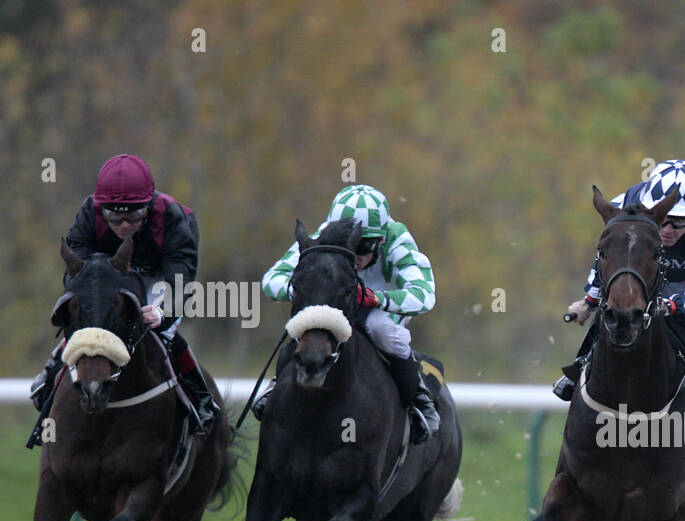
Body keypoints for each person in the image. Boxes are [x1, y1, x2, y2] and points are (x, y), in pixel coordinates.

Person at [30, 154, 217, 438]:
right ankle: (50, 375)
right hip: (107, 273)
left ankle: (200, 397)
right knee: (89, 321)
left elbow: (181, 282)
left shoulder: (173, 216)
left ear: (149, 206)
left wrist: (162, 311)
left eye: (134, 216)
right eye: (115, 218)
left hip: (160, 276)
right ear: (101, 209)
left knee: (161, 332)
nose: (125, 226)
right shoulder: (89, 212)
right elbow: (75, 273)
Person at [554, 159, 685, 430]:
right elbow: (610, 258)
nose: (667, 230)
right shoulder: (625, 206)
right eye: (663, 221)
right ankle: (578, 369)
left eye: (679, 224)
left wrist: (670, 306)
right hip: (646, 274)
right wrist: (590, 300)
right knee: (617, 307)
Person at [259, 184, 440, 441]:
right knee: (307, 321)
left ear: (380, 239)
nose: (354, 255)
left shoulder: (397, 238)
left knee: (381, 329)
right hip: (338, 304)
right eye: (348, 243)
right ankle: (277, 386)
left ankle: (419, 398)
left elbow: (425, 294)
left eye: (364, 246)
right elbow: (272, 279)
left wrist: (377, 298)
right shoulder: (323, 235)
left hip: (382, 307)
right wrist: (304, 292)